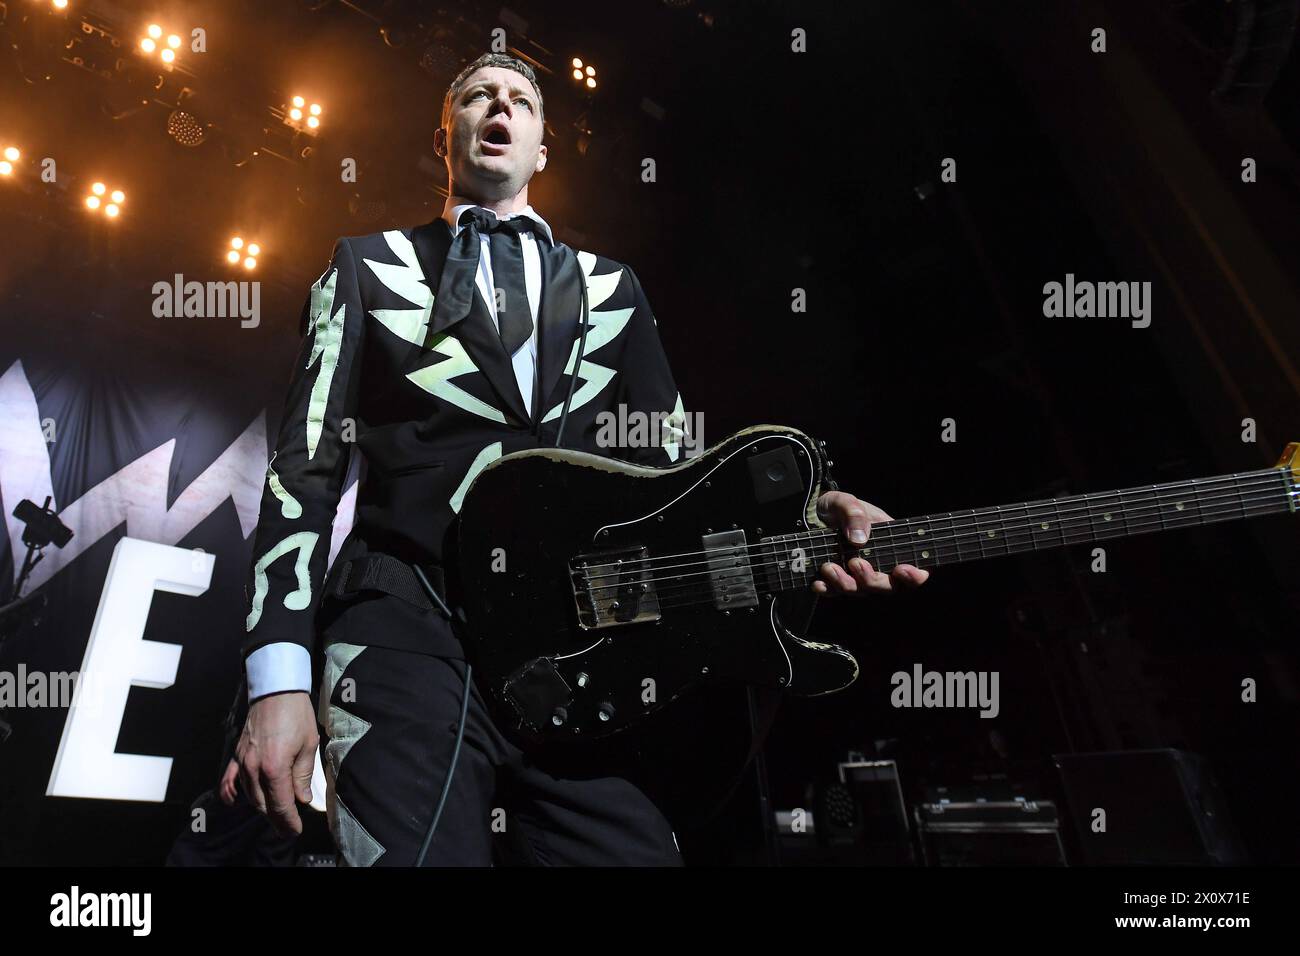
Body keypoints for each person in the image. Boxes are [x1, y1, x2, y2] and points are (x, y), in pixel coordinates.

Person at [231, 52, 928, 866]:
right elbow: (302, 473)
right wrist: (277, 678)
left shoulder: (613, 289)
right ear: (444, 135)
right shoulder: (366, 265)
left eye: (520, 100)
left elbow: (680, 473)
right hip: (407, 637)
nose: (500, 105)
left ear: (541, 148)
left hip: (588, 661)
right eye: (478, 96)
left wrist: (811, 508)